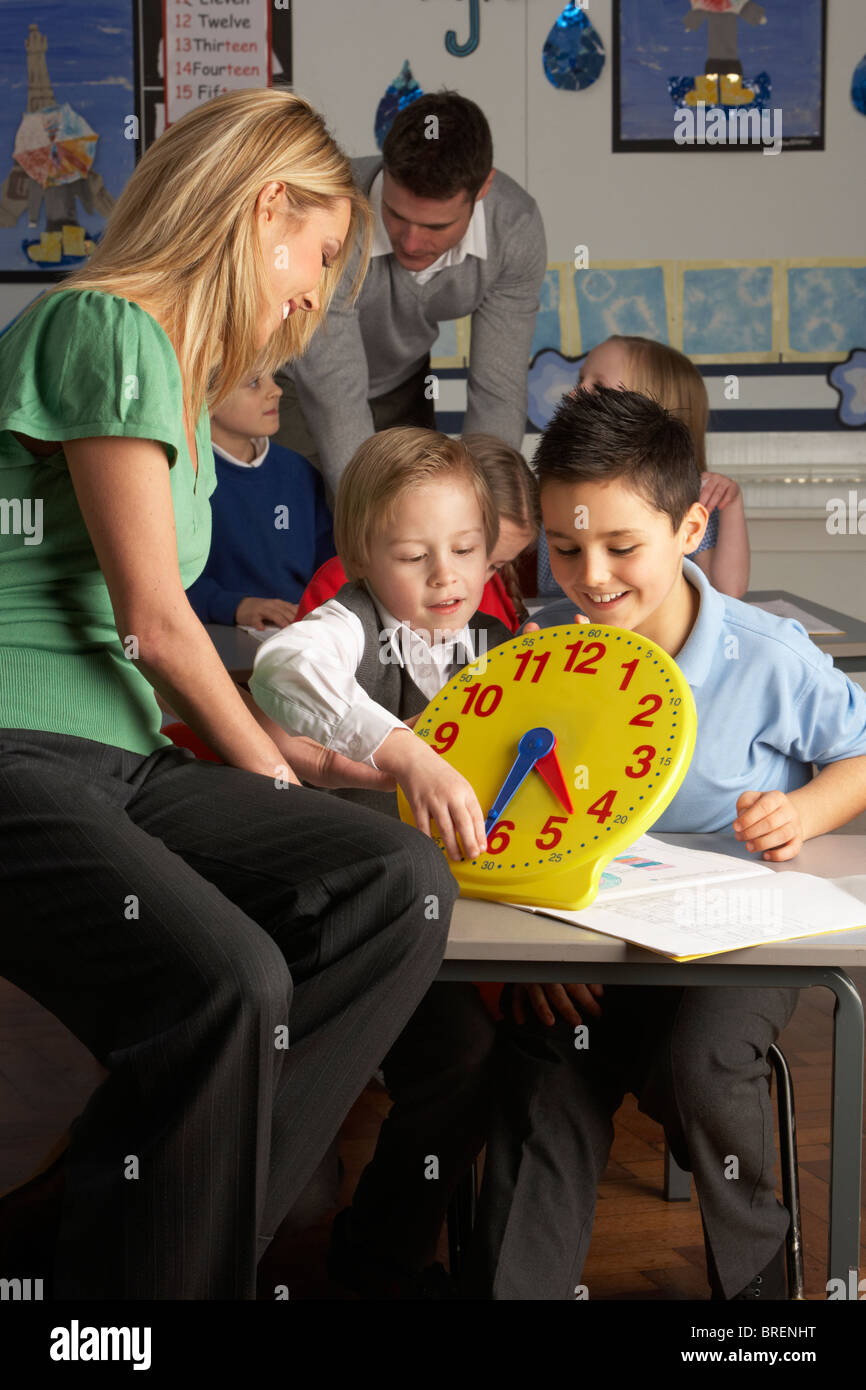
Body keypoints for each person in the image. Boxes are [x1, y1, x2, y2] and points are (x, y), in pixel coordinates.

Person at [0, 88, 458, 1301]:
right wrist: (259, 759)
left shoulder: (182, 399)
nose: (309, 300)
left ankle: (118, 1236)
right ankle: (137, 1270)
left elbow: (144, 649)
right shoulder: (109, 325)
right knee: (228, 982)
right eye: (313, 258)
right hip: (16, 751)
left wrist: (284, 759)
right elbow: (155, 625)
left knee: (394, 883)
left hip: (121, 761)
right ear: (265, 208)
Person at [465, 385, 866, 1301]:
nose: (591, 575)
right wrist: (536, 944)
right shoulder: (542, 663)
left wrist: (803, 814)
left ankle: (761, 1306)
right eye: (564, 550)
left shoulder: (766, 654)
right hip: (587, 944)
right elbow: (500, 822)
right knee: (543, 1077)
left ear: (690, 530)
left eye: (621, 546)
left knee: (701, 1068)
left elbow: (862, 751)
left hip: (733, 943)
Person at [249, 427, 511, 1295]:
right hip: (333, 939)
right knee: (288, 1195)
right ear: (362, 555)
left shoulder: (497, 642)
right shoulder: (346, 624)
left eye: (468, 549)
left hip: (448, 932)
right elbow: (282, 666)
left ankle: (381, 1258)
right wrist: (400, 750)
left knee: (468, 1065)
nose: (447, 577)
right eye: (413, 555)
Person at [274, 92, 547, 499]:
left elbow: (497, 393)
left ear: (483, 188)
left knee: (427, 510)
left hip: (401, 382)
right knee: (318, 517)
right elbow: (336, 391)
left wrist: (488, 513)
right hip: (293, 377)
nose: (413, 242)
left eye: (436, 226)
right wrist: (369, 517)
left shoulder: (514, 229)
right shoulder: (333, 213)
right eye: (397, 216)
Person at [536, 335, 750, 601]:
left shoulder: (698, 495)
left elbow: (726, 591)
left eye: (598, 385)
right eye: (569, 550)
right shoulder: (562, 481)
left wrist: (731, 504)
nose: (574, 393)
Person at [294, 429, 539, 631]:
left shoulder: (492, 600)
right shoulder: (337, 598)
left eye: (495, 565)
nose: (449, 577)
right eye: (415, 556)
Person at [186, 368, 335, 630]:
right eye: (254, 382)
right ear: (206, 400)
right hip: (214, 631)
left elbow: (329, 564)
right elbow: (164, 581)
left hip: (301, 632)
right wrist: (234, 606)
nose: (276, 391)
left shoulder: (299, 471)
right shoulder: (183, 476)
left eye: (273, 378)